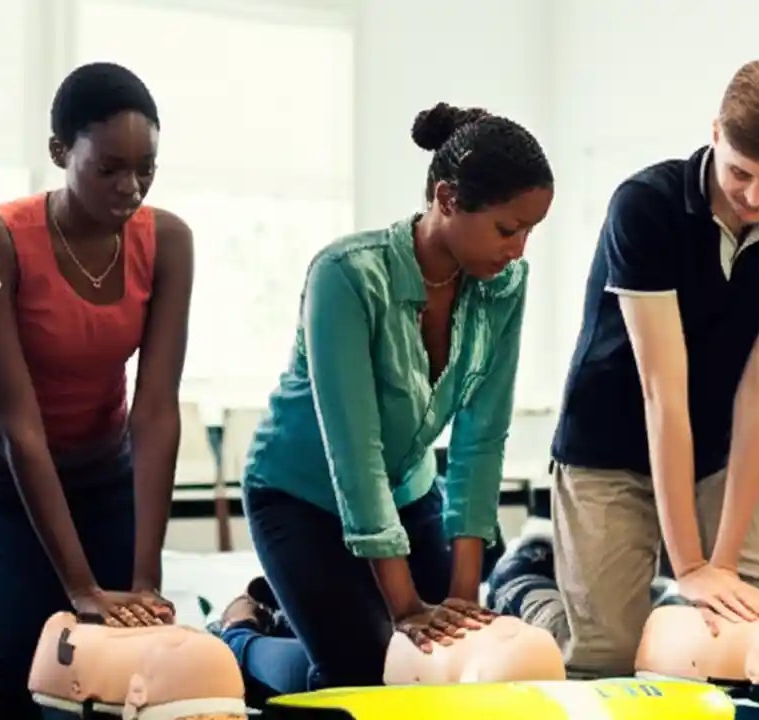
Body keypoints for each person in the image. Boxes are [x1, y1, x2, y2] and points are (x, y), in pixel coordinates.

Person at [214, 101, 554, 701]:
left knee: (457, 658)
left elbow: (481, 438)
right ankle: (240, 635)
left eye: (531, 231)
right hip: (300, 496)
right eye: (508, 228)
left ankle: (300, 608)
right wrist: (404, 609)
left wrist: (461, 599)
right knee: (372, 672)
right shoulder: (345, 276)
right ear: (447, 199)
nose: (520, 250)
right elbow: (355, 454)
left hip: (407, 492)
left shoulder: (504, 285)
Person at [531, 57, 759, 678]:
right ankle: (527, 579)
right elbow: (661, 393)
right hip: (608, 448)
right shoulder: (645, 205)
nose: (755, 197)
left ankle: (670, 581)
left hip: (716, 455)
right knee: (607, 655)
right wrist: (692, 567)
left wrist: (719, 562)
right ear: (716, 131)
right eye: (741, 173)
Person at [0, 62, 194, 718]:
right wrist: (79, 585)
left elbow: (156, 410)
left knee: (113, 674)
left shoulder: (168, 240)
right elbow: (21, 424)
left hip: (103, 474)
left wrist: (144, 578)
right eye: (108, 168)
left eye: (145, 169)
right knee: (18, 682)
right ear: (59, 153)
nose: (129, 187)